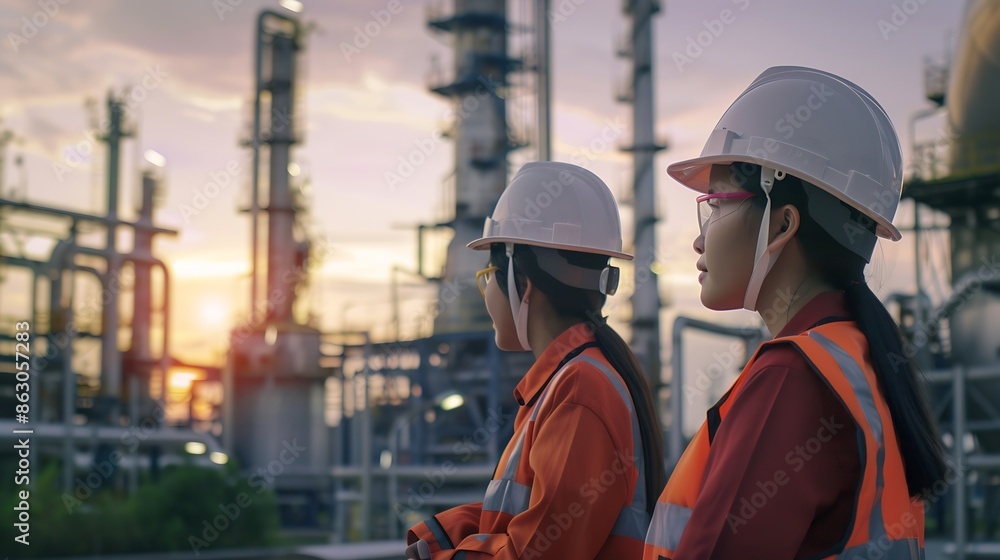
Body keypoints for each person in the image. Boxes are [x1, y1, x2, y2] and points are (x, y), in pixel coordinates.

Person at [643, 66, 948, 559]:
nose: (700, 237)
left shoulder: (792, 379)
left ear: (783, 223)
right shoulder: (858, 361)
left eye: (715, 205)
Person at [405, 161, 666, 559]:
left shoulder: (579, 391)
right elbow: (527, 515)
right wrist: (441, 536)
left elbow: (539, 550)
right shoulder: (570, 381)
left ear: (522, 285)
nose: (485, 292)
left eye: (488, 275)